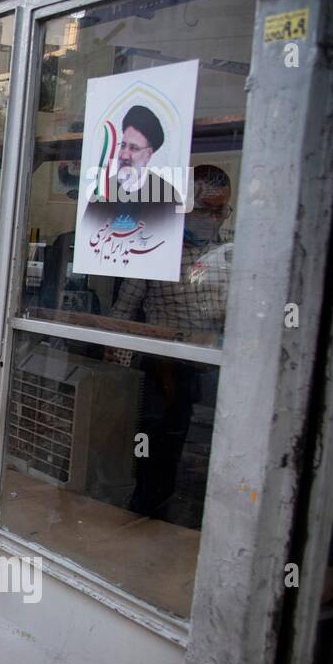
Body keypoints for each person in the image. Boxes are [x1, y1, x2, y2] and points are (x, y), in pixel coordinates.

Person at [105, 164, 233, 526]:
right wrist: (117, 376)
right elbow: (124, 313)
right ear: (185, 207)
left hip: (210, 370)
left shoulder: (228, 255)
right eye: (205, 208)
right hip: (161, 369)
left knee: (198, 454)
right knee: (155, 452)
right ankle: (144, 516)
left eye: (220, 209)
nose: (214, 217)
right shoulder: (156, 247)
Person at [80, 104, 182, 234]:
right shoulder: (103, 189)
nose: (124, 155)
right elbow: (87, 235)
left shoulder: (168, 195)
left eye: (134, 148)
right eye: (123, 146)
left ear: (148, 154)